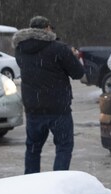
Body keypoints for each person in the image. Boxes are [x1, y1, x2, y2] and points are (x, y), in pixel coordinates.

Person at [13, 15, 85, 174]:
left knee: (33, 147)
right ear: (47, 28)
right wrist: (72, 56)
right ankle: (58, 181)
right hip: (58, 107)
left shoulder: (20, 49)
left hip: (33, 107)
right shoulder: (58, 48)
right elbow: (78, 73)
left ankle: (30, 181)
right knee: (63, 146)